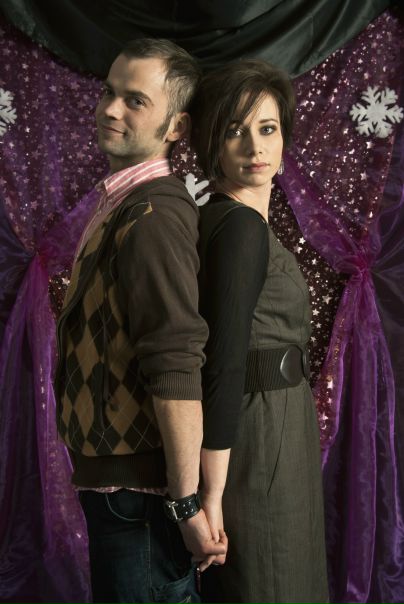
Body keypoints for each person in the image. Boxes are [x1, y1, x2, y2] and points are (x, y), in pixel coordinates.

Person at [54, 38, 227, 604]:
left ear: (176, 126)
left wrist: (184, 504)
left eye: (135, 100)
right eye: (109, 92)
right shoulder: (123, 204)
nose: (110, 109)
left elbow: (176, 362)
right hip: (119, 489)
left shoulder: (154, 213)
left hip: (143, 500)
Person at [191, 59, 329, 604]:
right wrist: (211, 494)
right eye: (235, 130)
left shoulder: (227, 218)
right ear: (213, 144)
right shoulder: (240, 227)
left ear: (284, 136)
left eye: (267, 128)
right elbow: (222, 362)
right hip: (259, 432)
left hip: (277, 424)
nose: (255, 146)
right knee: (274, 583)